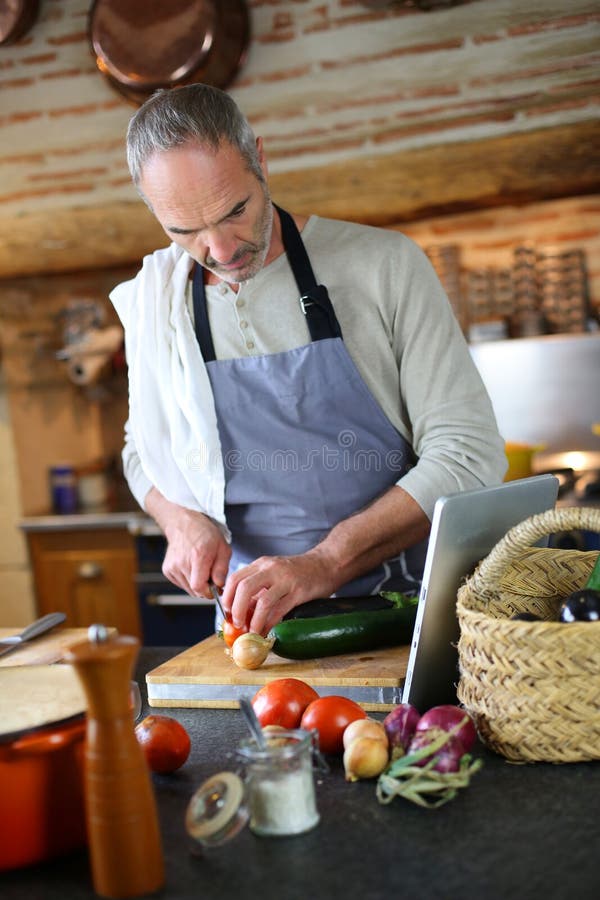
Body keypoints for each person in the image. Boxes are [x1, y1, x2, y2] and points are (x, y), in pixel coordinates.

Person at [111, 84, 507, 638]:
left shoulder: (384, 266)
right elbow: (140, 450)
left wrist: (324, 563)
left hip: (414, 614)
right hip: (257, 633)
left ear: (261, 160)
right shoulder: (157, 303)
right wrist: (181, 523)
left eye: (235, 211)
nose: (221, 250)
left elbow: (468, 455)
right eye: (186, 231)